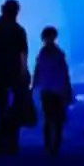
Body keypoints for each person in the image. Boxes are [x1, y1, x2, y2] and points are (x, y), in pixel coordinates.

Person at [0, 0, 29, 155]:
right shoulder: (18, 31)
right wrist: (24, 74)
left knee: (2, 107)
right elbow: (23, 55)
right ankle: (11, 142)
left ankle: (1, 143)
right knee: (15, 108)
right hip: (14, 74)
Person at [32, 25, 73, 156]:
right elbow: (39, 71)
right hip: (52, 90)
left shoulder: (51, 54)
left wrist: (35, 85)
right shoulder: (52, 54)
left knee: (54, 118)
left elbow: (63, 73)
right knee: (51, 117)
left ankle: (53, 145)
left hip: (54, 90)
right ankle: (51, 144)